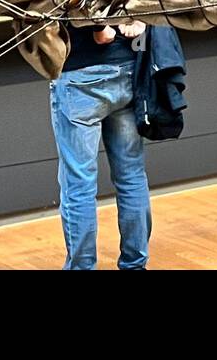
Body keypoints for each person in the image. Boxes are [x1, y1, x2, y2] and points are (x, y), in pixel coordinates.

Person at [50, 17, 152, 270]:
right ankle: (135, 264)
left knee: (79, 183)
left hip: (79, 74)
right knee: (131, 176)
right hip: (127, 68)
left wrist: (98, 26)